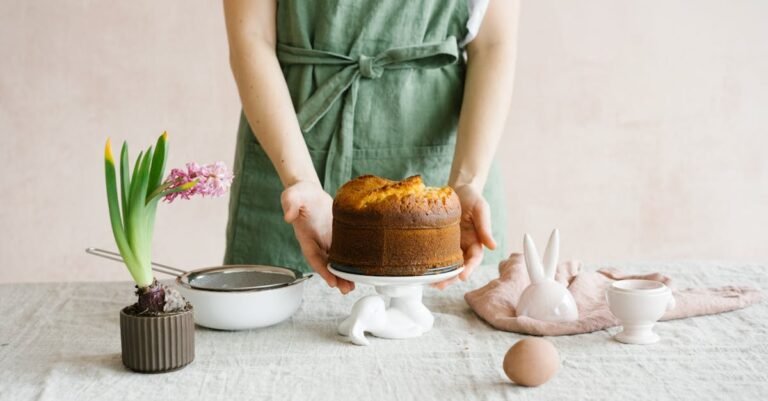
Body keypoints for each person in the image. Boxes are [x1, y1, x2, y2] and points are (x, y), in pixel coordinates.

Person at [223, 0, 519, 294]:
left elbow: (493, 44)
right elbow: (252, 36)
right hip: (290, 154)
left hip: (450, 167)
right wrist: (301, 179)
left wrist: (467, 182)